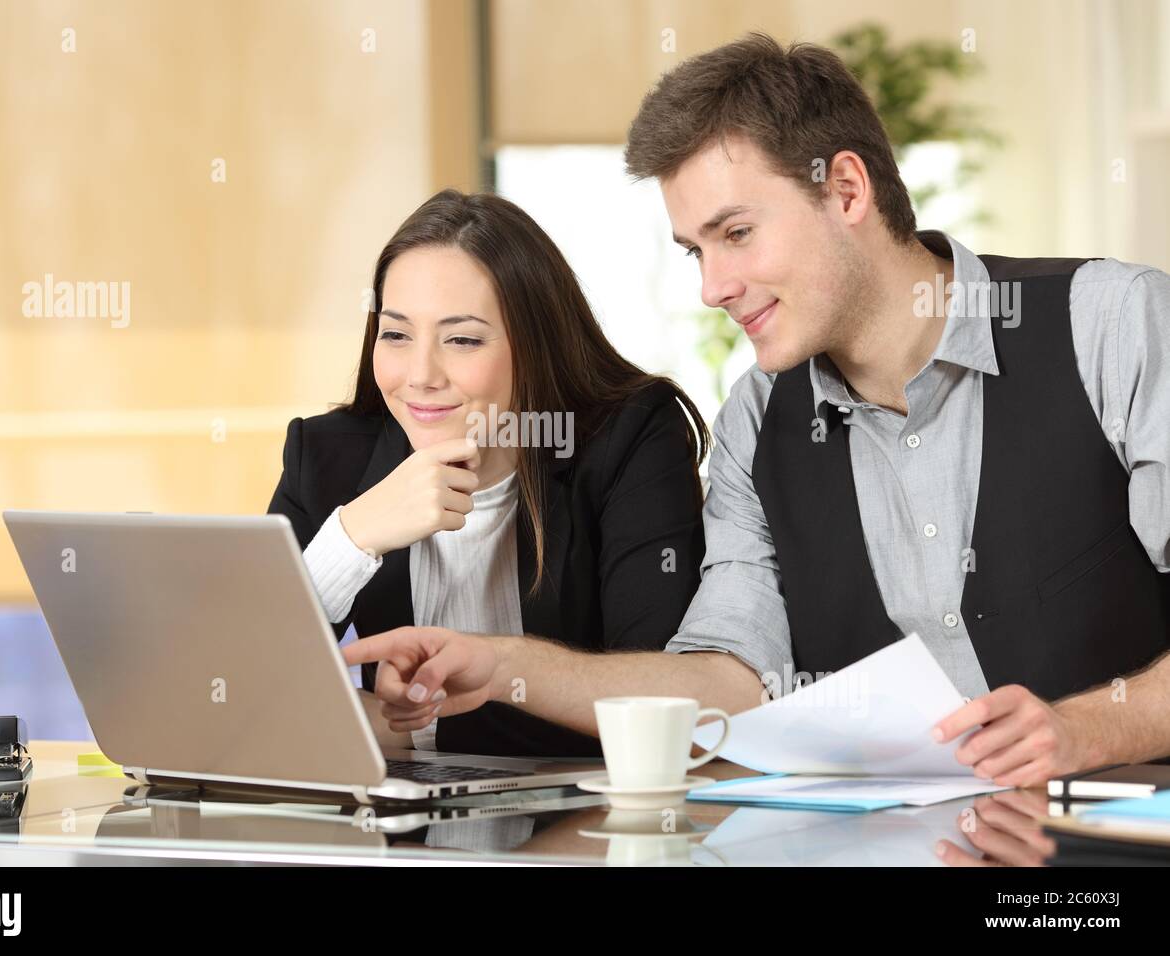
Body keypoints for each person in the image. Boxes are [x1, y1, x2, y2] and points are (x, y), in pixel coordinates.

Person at [345, 34, 1170, 787]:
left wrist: (1083, 730)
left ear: (846, 189)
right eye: (696, 251)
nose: (712, 287)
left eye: (735, 233)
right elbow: (730, 682)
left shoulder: (1111, 325)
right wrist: (499, 664)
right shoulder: (756, 421)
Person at [267, 188, 709, 758]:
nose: (420, 375)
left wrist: (398, 725)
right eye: (396, 334)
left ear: (535, 345)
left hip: (580, 832)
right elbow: (233, 689)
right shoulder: (327, 456)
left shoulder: (628, 441)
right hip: (398, 839)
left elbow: (657, 707)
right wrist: (351, 539)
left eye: (463, 339)